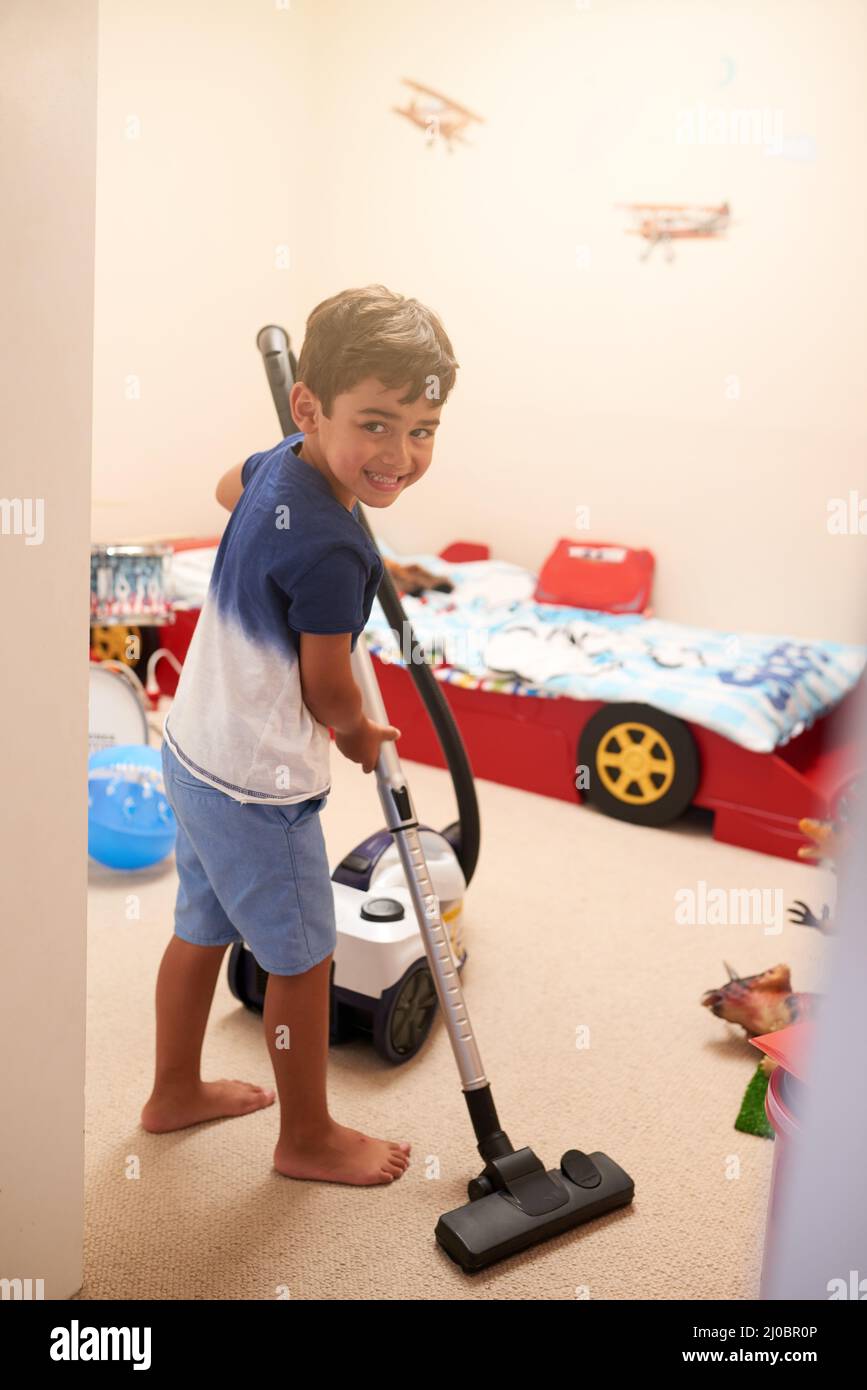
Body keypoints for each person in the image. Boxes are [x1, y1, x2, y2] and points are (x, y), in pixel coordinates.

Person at [140, 285, 459, 1187]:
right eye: (376, 425)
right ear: (308, 406)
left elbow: (227, 487)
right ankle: (308, 1136)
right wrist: (362, 734)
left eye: (423, 429)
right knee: (303, 959)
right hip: (257, 786)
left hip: (193, 745)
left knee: (199, 928)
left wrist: (344, 515)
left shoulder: (282, 461)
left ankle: (172, 1090)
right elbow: (326, 687)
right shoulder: (332, 552)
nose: (399, 454)